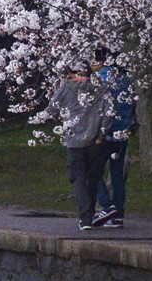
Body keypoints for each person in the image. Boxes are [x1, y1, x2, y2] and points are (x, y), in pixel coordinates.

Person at [49, 58, 111, 231]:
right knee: (93, 178)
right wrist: (100, 136)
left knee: (78, 179)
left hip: (73, 141)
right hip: (94, 140)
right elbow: (108, 113)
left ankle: (85, 218)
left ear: (69, 73)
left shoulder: (66, 88)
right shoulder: (99, 88)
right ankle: (89, 215)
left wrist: (61, 115)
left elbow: (52, 107)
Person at [95, 53, 136, 228]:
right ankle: (118, 215)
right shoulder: (126, 80)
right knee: (117, 175)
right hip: (122, 134)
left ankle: (107, 206)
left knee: (93, 172)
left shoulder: (99, 80)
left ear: (102, 61)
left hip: (104, 135)